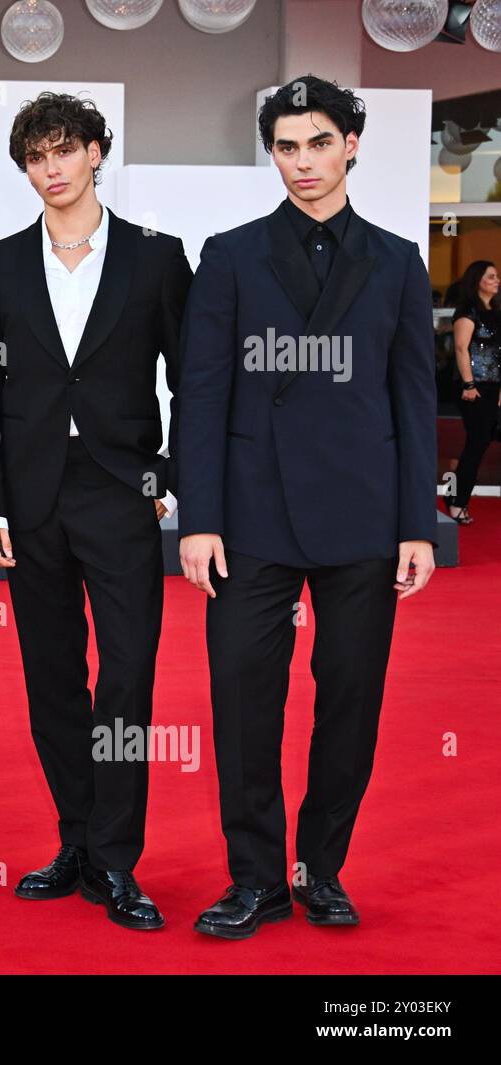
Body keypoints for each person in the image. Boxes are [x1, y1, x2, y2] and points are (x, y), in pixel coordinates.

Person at [178, 76, 438, 939]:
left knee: (350, 700)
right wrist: (199, 516)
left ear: (352, 144)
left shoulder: (398, 260)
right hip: (250, 517)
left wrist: (417, 525)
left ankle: (319, 867)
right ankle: (255, 878)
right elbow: (201, 395)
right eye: (287, 146)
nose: (302, 162)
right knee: (244, 701)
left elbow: (412, 399)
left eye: (319, 142)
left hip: (363, 518)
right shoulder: (231, 253)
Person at [0, 92, 190, 931]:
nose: (52, 169)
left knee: (127, 679)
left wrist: (169, 473)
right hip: (28, 501)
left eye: (65, 150)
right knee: (52, 680)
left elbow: (192, 379)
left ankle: (119, 859)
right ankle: (77, 842)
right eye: (36, 157)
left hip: (121, 495)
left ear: (98, 152)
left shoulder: (158, 258)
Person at [443, 259, 500, 524]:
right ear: (477, 280)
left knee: (481, 443)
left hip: (493, 387)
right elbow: (461, 349)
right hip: (473, 389)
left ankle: (456, 497)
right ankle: (457, 501)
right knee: (476, 445)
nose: (497, 280)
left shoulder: (496, 311)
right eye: (491, 276)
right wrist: (468, 385)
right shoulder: (467, 313)